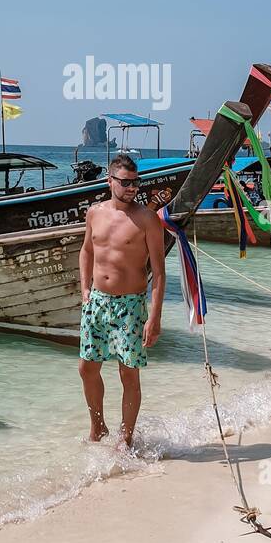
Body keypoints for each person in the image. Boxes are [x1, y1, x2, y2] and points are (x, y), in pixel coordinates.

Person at [78, 153, 166, 449]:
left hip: (130, 306)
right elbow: (87, 251)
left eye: (136, 182)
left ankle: (125, 438)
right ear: (110, 181)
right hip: (97, 303)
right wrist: (85, 291)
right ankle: (97, 427)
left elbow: (160, 272)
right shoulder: (95, 212)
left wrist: (154, 318)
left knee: (128, 372)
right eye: (126, 183)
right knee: (87, 368)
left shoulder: (146, 219)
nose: (132, 188)